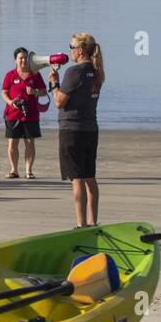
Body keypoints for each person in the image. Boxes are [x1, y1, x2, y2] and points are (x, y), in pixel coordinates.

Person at [49, 33, 105, 227]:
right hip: (90, 128)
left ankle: (81, 224)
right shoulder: (97, 72)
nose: (70, 51)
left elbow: (58, 101)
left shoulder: (74, 72)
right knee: (90, 176)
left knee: (77, 178)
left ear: (81, 50)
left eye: (71, 47)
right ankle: (93, 221)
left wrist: (54, 84)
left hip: (72, 129)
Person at [1, 47, 48, 179]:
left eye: (26, 57)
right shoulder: (10, 75)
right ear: (15, 60)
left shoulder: (35, 74)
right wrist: (11, 102)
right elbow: (3, 92)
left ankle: (29, 171)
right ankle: (14, 170)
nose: (23, 60)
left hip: (31, 113)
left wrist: (34, 92)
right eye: (21, 58)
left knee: (29, 142)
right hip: (13, 114)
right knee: (12, 143)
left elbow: (44, 91)